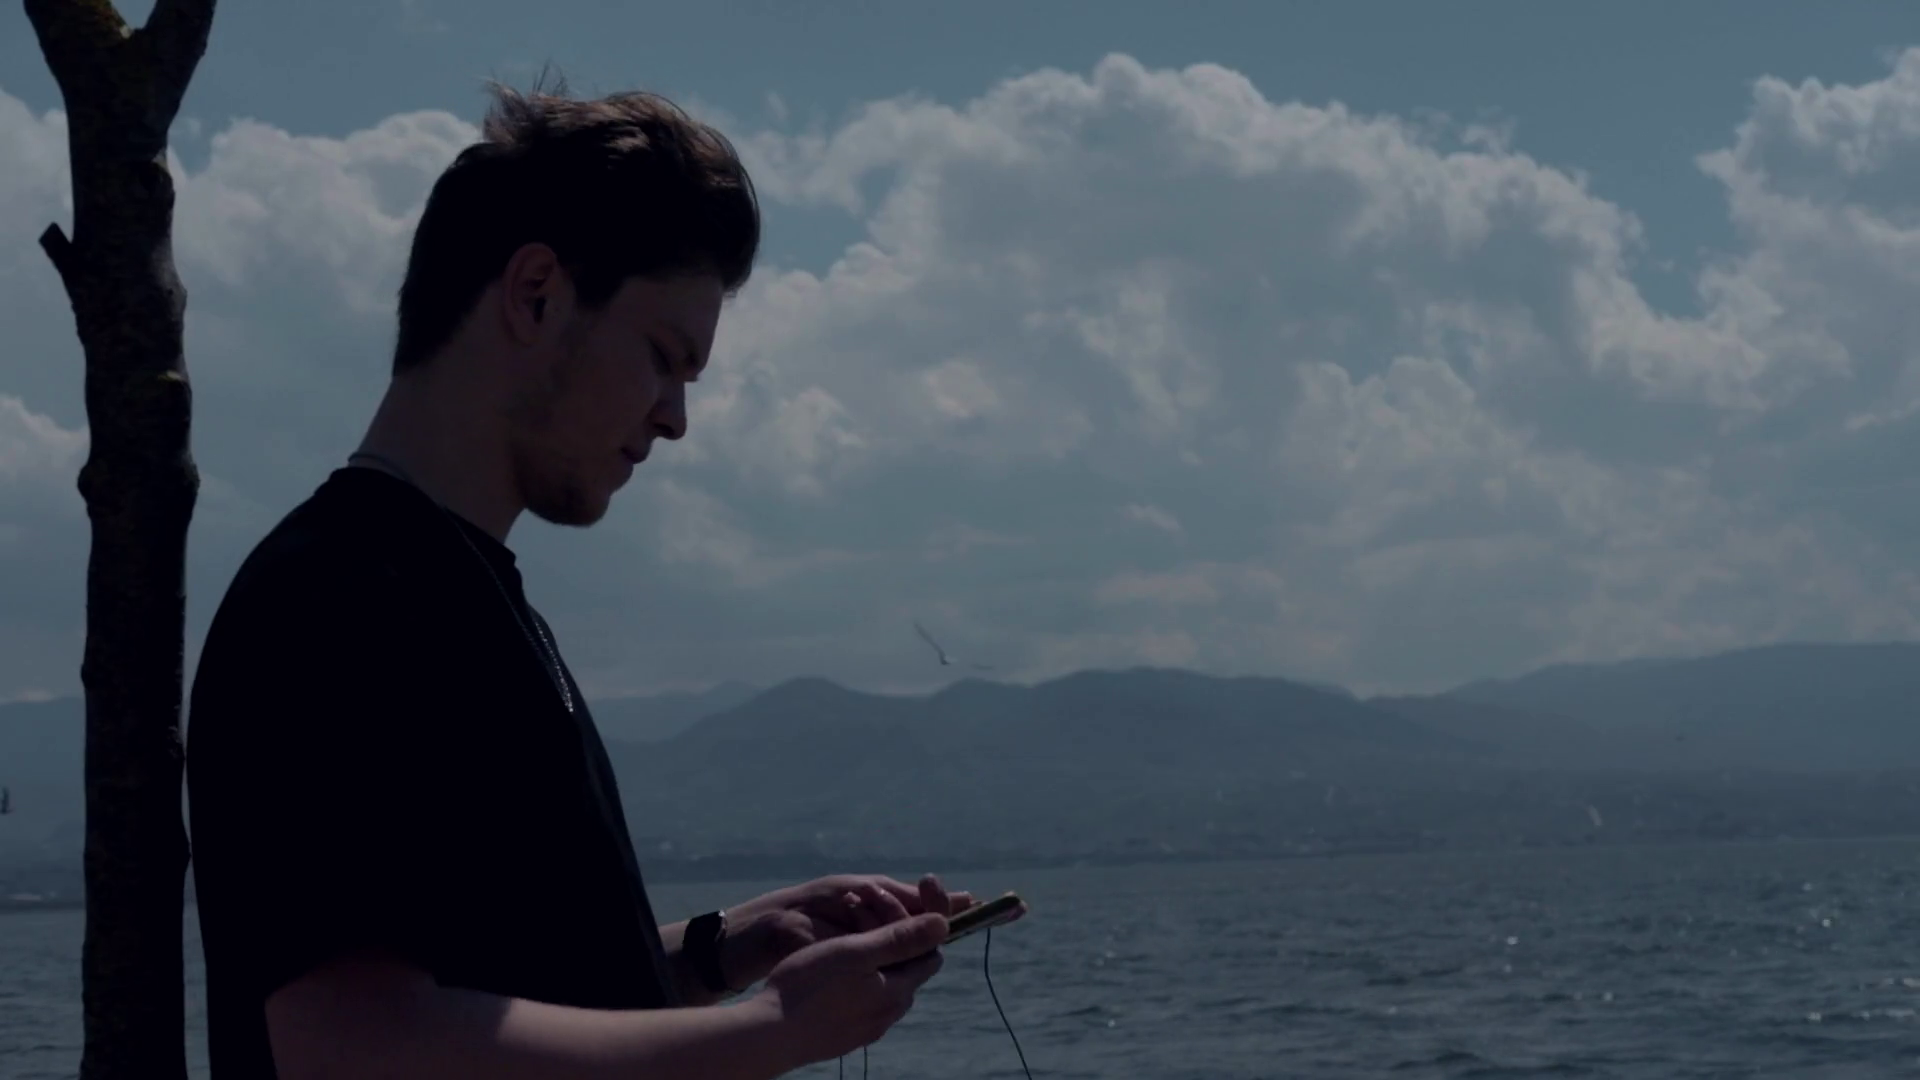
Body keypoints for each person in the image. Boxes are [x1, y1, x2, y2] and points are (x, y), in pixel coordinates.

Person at [186, 79, 1005, 1080]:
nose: (675, 418)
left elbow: (507, 996)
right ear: (538, 292)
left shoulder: (452, 591)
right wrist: (774, 1028)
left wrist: (728, 946)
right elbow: (354, 1043)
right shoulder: (346, 601)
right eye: (664, 357)